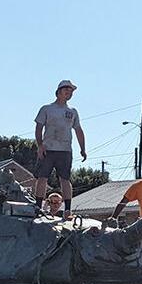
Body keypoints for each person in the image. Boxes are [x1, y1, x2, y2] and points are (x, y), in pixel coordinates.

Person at [34, 80, 86, 218]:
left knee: (65, 179)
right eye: (66, 90)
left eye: (71, 92)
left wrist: (83, 148)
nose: (69, 93)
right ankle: (38, 207)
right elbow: (39, 127)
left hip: (65, 150)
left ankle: (68, 209)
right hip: (48, 148)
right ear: (59, 92)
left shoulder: (72, 111)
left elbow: (78, 130)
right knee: (42, 177)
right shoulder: (47, 108)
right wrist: (40, 145)